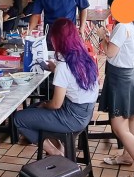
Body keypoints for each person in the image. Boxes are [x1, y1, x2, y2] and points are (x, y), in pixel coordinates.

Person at [13, 18, 99, 156]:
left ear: (56, 39)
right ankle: (58, 145)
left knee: (18, 118)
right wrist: (55, 70)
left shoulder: (63, 66)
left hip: (72, 117)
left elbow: (56, 104)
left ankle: (56, 152)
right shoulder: (83, 56)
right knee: (32, 109)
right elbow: (73, 78)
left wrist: (45, 105)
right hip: (86, 113)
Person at [97, 0, 134, 177]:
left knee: (119, 127)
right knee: (132, 119)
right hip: (131, 75)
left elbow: (110, 53)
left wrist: (103, 36)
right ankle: (127, 157)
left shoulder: (121, 26)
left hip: (120, 78)